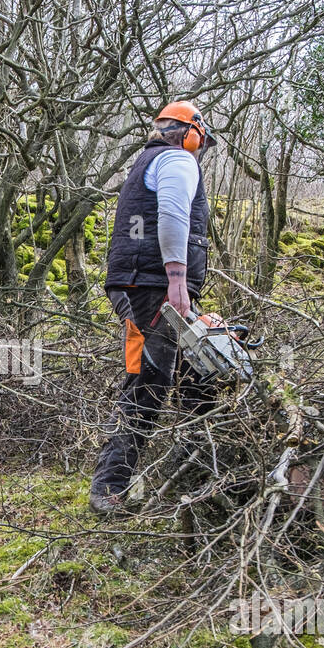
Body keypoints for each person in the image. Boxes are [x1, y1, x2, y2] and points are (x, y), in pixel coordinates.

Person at [89, 101, 218, 515]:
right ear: (190, 132)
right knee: (149, 382)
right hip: (156, 286)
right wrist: (177, 279)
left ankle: (201, 468)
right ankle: (108, 488)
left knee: (195, 375)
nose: (199, 150)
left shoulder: (146, 160)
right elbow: (173, 217)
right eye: (200, 142)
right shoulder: (177, 160)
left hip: (136, 283)